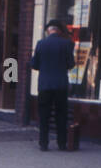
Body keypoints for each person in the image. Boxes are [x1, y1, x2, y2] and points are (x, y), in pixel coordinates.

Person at [31, 19, 75, 152]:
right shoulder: (67, 44)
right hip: (61, 84)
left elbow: (34, 65)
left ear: (48, 31)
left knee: (44, 115)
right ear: (59, 31)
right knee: (61, 115)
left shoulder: (41, 44)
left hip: (44, 85)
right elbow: (71, 64)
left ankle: (43, 143)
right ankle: (62, 143)